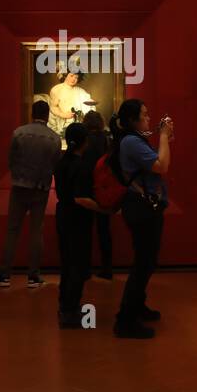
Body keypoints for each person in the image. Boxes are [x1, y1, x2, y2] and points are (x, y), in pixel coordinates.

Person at [110, 99, 174, 339]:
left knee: (145, 261)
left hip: (142, 207)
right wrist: (164, 137)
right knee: (143, 264)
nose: (149, 119)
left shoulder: (132, 140)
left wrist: (164, 138)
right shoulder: (131, 142)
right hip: (142, 208)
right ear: (132, 120)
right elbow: (162, 165)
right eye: (145, 115)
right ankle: (125, 320)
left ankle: (137, 307)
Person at [0, 100, 61, 288]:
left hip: (19, 185)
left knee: (12, 230)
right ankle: (33, 275)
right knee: (36, 231)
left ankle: (4, 274)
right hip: (40, 187)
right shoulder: (54, 138)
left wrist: (19, 176)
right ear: (48, 115)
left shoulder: (19, 132)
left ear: (32, 113)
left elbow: (11, 160)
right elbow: (55, 164)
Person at [53, 122, 100, 327]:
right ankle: (70, 311)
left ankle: (65, 306)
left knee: (67, 262)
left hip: (63, 214)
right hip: (78, 218)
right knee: (77, 264)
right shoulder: (81, 166)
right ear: (84, 142)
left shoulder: (62, 162)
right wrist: (103, 208)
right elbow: (81, 198)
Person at [82, 111, 113, 279]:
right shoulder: (106, 140)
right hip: (103, 188)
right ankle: (107, 268)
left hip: (87, 188)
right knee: (104, 229)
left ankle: (85, 269)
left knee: (85, 230)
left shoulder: (84, 140)